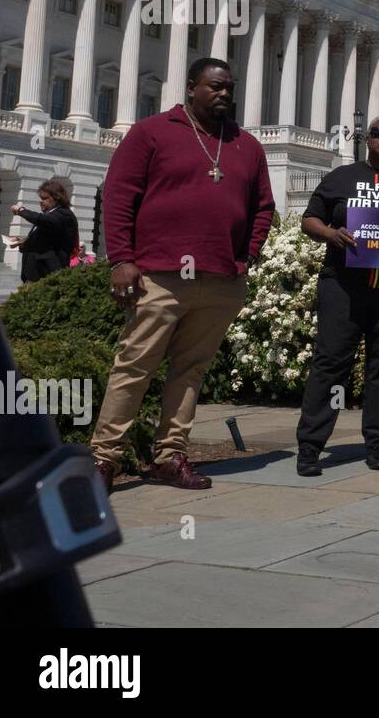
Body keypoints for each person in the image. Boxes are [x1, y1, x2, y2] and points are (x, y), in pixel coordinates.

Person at [90, 58, 274, 492]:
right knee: (134, 366)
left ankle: (169, 456)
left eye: (229, 87)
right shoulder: (152, 131)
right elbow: (119, 195)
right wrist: (121, 259)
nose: (224, 94)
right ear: (191, 88)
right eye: (215, 86)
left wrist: (246, 255)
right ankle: (103, 460)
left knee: (191, 370)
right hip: (160, 275)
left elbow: (262, 207)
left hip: (221, 279)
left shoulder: (246, 145)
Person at [295, 115, 379, 474]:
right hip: (344, 285)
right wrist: (331, 234)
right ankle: (310, 446)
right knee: (331, 361)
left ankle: (377, 443)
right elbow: (310, 219)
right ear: (367, 139)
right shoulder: (341, 177)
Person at [11, 178, 79, 283]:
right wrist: (21, 242)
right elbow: (41, 241)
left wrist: (21, 210)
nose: (41, 202)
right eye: (40, 198)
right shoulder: (48, 215)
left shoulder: (64, 214)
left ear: (57, 197)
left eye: (44, 198)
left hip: (48, 274)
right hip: (34, 275)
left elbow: (44, 220)